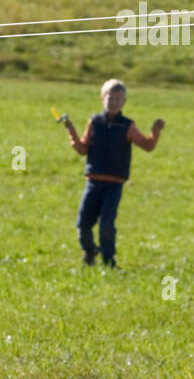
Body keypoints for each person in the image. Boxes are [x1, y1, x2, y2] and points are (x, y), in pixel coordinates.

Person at [62, 79, 164, 268]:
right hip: (93, 182)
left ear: (124, 102)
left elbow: (147, 145)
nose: (114, 102)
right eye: (110, 97)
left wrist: (155, 130)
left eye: (118, 98)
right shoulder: (94, 122)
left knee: (106, 226)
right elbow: (82, 149)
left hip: (114, 184)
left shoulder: (127, 126)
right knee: (82, 224)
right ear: (102, 99)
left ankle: (109, 261)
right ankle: (90, 251)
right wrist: (71, 131)